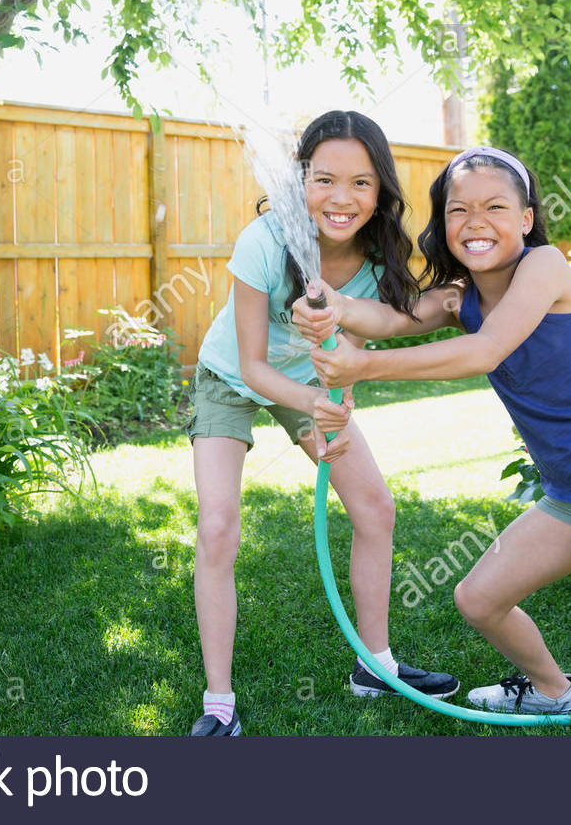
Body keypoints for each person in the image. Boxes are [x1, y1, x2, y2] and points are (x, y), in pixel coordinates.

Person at [293, 146, 571, 736]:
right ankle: (553, 693)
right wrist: (335, 306)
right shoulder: (462, 297)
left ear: (528, 217)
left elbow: (485, 351)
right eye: (458, 210)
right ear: (443, 223)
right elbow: (386, 318)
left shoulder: (545, 268)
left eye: (495, 207)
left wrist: (362, 368)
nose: (475, 222)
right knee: (479, 599)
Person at [185, 110, 460, 736]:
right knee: (218, 526)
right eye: (326, 180)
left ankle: (376, 665)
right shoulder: (265, 241)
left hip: (310, 383)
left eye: (362, 183)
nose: (342, 199)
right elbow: (253, 365)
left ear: (381, 190)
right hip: (231, 378)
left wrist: (344, 381)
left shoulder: (380, 251)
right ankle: (219, 704)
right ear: (300, 180)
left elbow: (380, 327)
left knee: (374, 508)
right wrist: (316, 402)